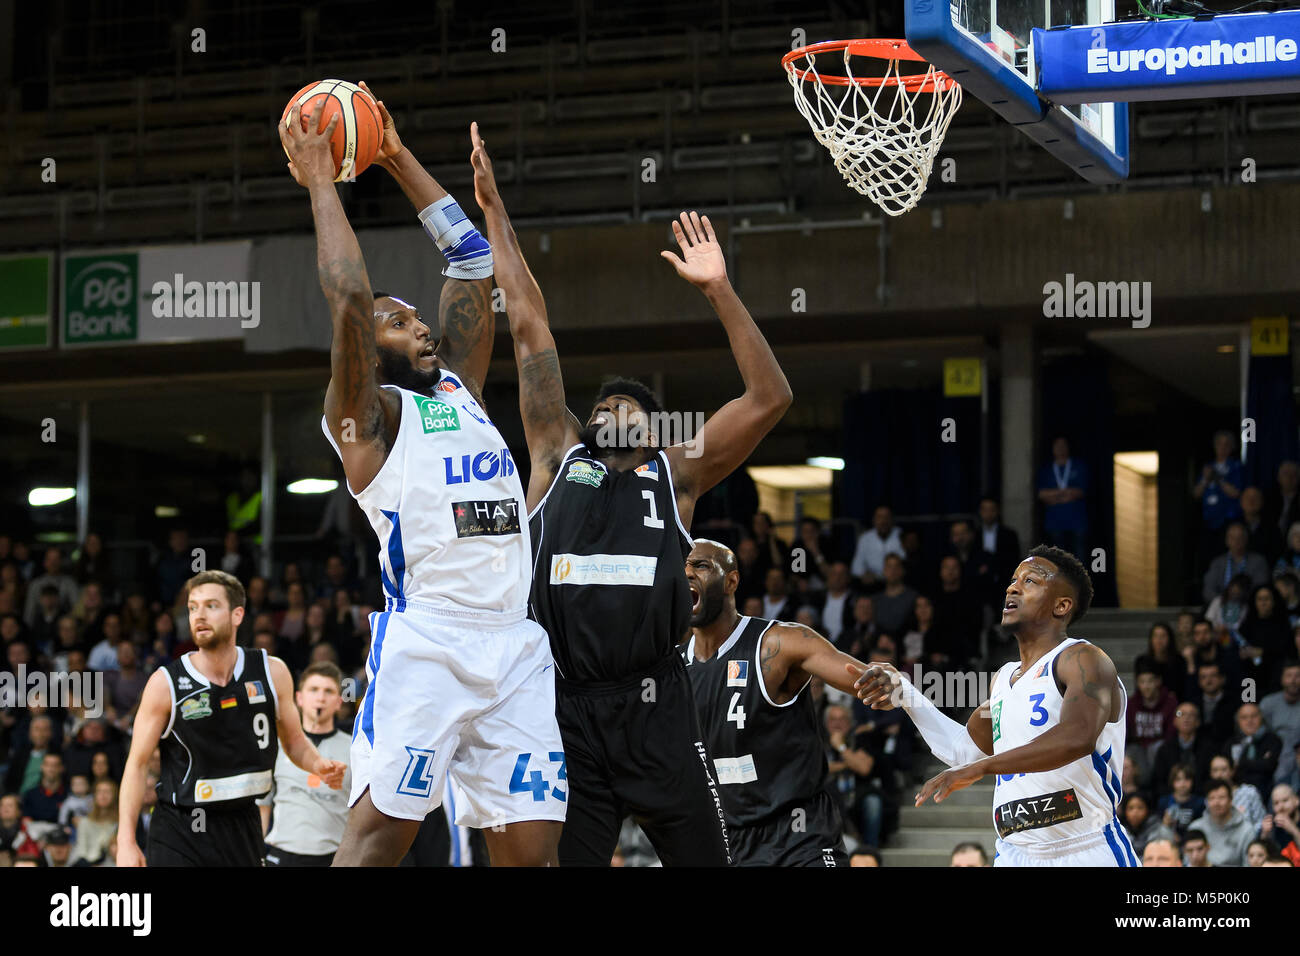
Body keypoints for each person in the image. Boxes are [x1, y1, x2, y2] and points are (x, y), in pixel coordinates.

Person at [485, 107, 791, 866]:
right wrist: (496, 216)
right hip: (567, 709)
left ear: (652, 431)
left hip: (658, 708)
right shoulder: (557, 454)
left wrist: (719, 289)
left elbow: (769, 399)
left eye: (624, 406)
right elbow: (527, 325)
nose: (606, 411)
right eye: (601, 405)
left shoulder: (676, 473)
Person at [282, 97, 566, 866]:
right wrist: (320, 182)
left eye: (419, 317)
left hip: (515, 642)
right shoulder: (367, 420)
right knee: (376, 848)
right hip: (429, 644)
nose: (423, 326)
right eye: (400, 321)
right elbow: (347, 301)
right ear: (370, 352)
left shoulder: (458, 397)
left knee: (533, 857)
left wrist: (396, 154)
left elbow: (472, 263)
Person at [856, 545, 1137, 866]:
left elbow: (1077, 737)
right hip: (1015, 851)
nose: (1012, 587)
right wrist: (906, 694)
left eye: (1030, 581)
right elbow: (962, 752)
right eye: (1013, 579)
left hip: (1083, 848)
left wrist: (983, 767)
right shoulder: (1004, 680)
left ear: (1062, 605)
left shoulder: (1082, 658)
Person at [115, 571, 345, 867]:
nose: (199, 615)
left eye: (211, 606)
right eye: (193, 607)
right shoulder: (165, 684)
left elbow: (295, 741)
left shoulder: (272, 673)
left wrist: (318, 765)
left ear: (237, 615)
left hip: (242, 822)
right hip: (180, 825)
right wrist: (126, 841)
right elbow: (137, 763)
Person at [681, 539, 880, 865]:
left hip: (800, 839)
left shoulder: (778, 643)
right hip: (730, 844)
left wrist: (887, 682)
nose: (687, 573)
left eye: (701, 566)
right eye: (682, 568)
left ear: (731, 580)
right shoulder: (673, 670)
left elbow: (863, 681)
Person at [259, 662, 352, 866]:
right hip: (281, 854)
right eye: (314, 690)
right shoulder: (277, 745)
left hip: (333, 856)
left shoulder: (354, 749)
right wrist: (256, 854)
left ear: (338, 702)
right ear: (299, 698)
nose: (320, 697)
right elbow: (263, 807)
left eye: (328, 691)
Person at [1037, 438, 1088, 560]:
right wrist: (1066, 493)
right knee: (1058, 559)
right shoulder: (1047, 469)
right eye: (1057, 445)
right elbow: (1042, 494)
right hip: (1055, 521)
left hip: (1076, 520)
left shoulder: (1078, 466)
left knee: (1079, 556)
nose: (1060, 449)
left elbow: (1080, 491)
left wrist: (1055, 496)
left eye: (1063, 445)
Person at [1151, 703, 1215, 797]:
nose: (1186, 718)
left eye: (1191, 715)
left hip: (1200, 799)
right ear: (1175, 721)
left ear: (1198, 722)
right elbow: (1159, 781)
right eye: (1181, 714)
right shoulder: (1165, 749)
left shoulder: (1208, 749)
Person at [1189, 779, 1254, 866]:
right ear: (1207, 802)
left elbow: (1249, 864)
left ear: (1230, 800)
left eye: (1221, 797)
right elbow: (1188, 862)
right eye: (1212, 798)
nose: (1216, 802)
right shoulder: (1195, 828)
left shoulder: (1246, 830)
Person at [1202, 523, 1269, 606]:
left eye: (1240, 537)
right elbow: (1208, 590)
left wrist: (1242, 602)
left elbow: (1260, 588)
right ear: (1226, 540)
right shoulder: (1218, 563)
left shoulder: (1258, 561)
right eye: (1232, 537)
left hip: (1249, 608)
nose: (1236, 541)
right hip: (1221, 607)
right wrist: (1223, 602)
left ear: (1246, 539)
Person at [1225, 702, 1282, 793]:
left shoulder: (1272, 740)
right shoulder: (1231, 743)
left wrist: (1242, 763)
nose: (1249, 721)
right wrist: (1260, 762)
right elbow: (1230, 771)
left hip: (1267, 789)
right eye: (1244, 717)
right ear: (1238, 721)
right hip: (1237, 791)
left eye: (1254, 716)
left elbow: (1269, 766)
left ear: (1261, 718)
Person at [1261, 661, 1300, 783]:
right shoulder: (1268, 704)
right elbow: (1261, 732)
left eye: (1298, 676)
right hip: (1276, 751)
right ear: (1282, 679)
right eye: (1289, 676)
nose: (1293, 680)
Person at [850, 506, 905, 591]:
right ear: (874, 520)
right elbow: (856, 567)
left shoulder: (901, 535)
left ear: (892, 520)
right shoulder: (865, 538)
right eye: (879, 517)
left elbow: (904, 561)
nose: (883, 521)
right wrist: (864, 574)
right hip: (873, 582)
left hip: (897, 580)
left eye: (886, 517)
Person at [1157, 765, 1205, 840]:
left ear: (1193, 781)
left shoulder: (1200, 802)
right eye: (1178, 779)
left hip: (1193, 841)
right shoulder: (1164, 802)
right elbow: (1159, 827)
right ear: (1172, 782)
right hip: (1169, 840)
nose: (1183, 784)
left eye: (1187, 779)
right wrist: (1165, 824)